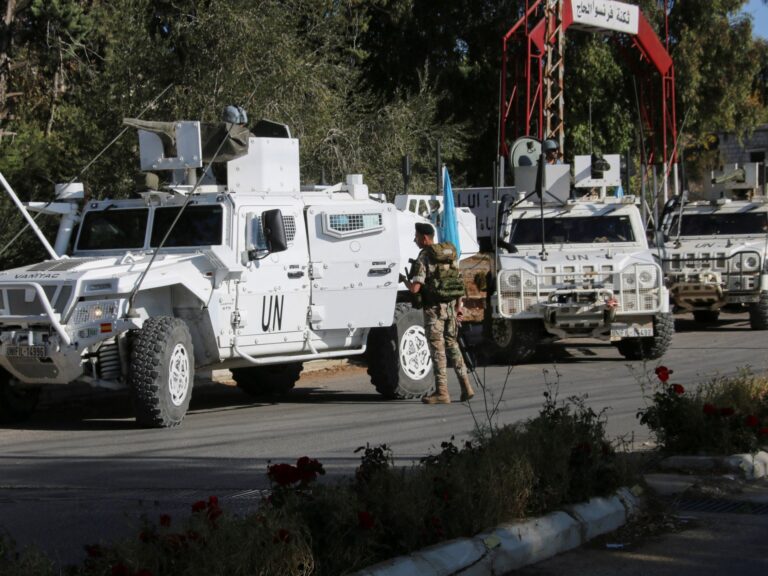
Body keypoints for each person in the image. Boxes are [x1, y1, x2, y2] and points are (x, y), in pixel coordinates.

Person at [401, 222, 474, 404]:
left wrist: (404, 281)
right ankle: (466, 387)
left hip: (434, 311)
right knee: (453, 346)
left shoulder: (424, 256)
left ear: (425, 238)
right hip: (451, 308)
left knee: (437, 350)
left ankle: (442, 392)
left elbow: (415, 289)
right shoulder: (449, 255)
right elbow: (458, 282)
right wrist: (458, 307)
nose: (415, 240)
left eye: (417, 237)